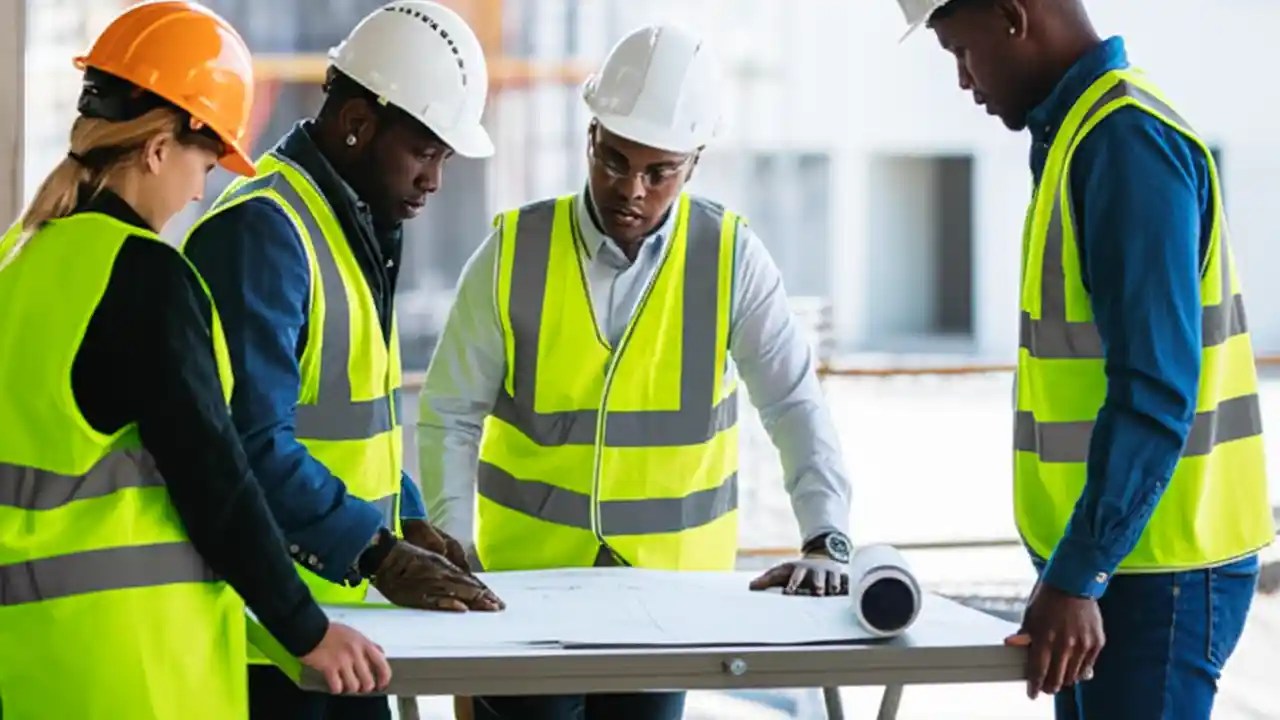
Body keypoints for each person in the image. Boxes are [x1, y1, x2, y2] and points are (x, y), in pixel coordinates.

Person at [418, 23, 856, 720]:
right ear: (590, 138)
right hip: (526, 590)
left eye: (660, 172)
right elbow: (449, 413)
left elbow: (794, 405)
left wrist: (826, 535)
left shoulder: (731, 258)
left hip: (668, 602)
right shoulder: (513, 249)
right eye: (615, 160)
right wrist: (452, 541)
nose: (631, 189)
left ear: (695, 163)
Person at [0, 3, 393, 719]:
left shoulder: (19, 260)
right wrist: (308, 631)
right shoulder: (143, 275)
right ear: (156, 148)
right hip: (131, 669)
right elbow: (215, 479)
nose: (199, 191)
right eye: (204, 162)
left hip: (27, 663)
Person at [895, 0, 1275, 717]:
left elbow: (1155, 389)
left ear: (1012, 16)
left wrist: (1080, 573)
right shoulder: (1081, 136)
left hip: (1155, 568)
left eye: (960, 51)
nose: (963, 81)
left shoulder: (1122, 143)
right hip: (1122, 562)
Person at [181, 2, 504, 719]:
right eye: (425, 152)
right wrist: (381, 552)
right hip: (271, 634)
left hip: (344, 623)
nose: (435, 182)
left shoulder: (350, 226)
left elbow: (358, 418)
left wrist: (408, 519)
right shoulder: (263, 233)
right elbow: (250, 446)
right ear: (358, 124)